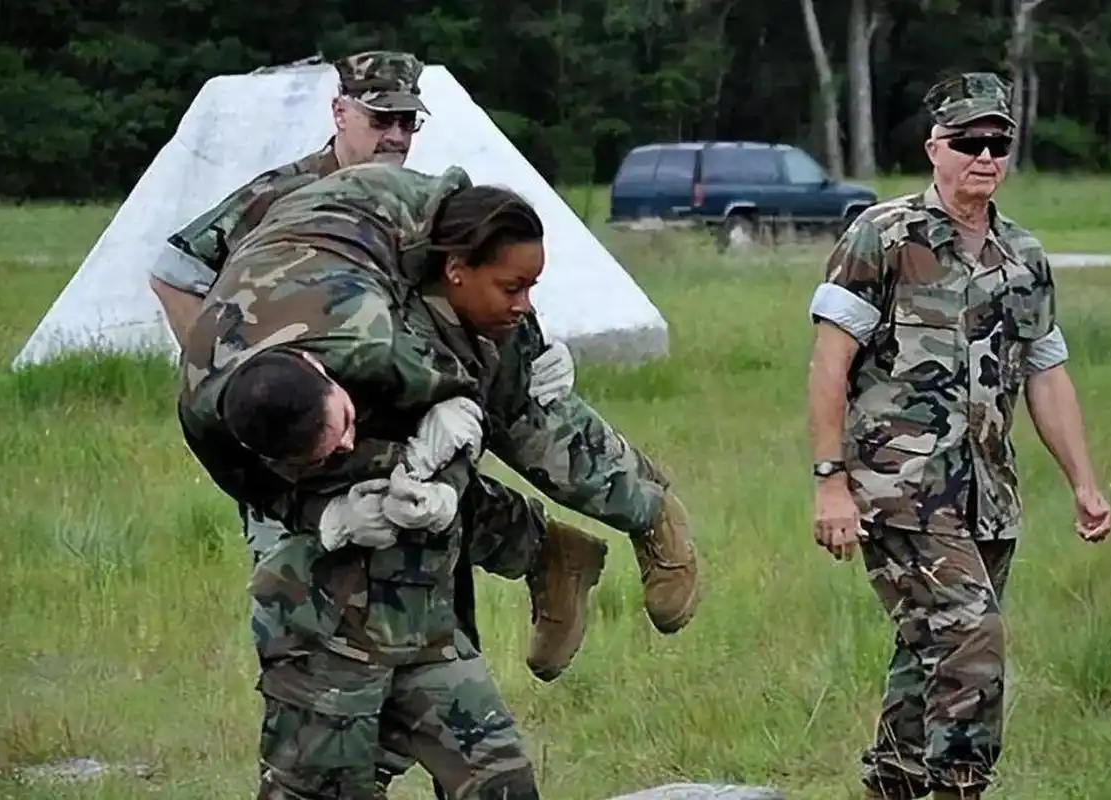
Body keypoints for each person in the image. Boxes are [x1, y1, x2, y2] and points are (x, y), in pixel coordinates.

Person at [147, 49, 701, 678]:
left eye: (409, 122)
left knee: (490, 429)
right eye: (382, 119)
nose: (397, 135)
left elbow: (484, 284)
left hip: (375, 385)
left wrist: (527, 345)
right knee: (333, 568)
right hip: (303, 410)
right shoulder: (279, 195)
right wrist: (253, 377)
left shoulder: (422, 205)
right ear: (339, 113)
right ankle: (538, 557)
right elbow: (176, 272)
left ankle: (641, 509)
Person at [179, 162, 586, 798]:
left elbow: (467, 349)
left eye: (342, 424)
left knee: (501, 785)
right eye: (325, 452)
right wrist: (324, 515)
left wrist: (528, 364)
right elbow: (253, 486)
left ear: (321, 368)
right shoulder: (209, 420)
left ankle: (541, 549)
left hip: (420, 616)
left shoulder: (363, 335)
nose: (347, 444)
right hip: (321, 626)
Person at [805, 72, 1111, 800]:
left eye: (997, 142)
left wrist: (1083, 481)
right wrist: (829, 481)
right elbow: (828, 362)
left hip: (988, 499)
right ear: (933, 148)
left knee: (929, 652)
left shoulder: (1023, 257)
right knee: (973, 645)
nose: (985, 155)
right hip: (898, 493)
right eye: (968, 141)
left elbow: (1046, 373)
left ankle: (896, 787)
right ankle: (958, 788)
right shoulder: (881, 237)